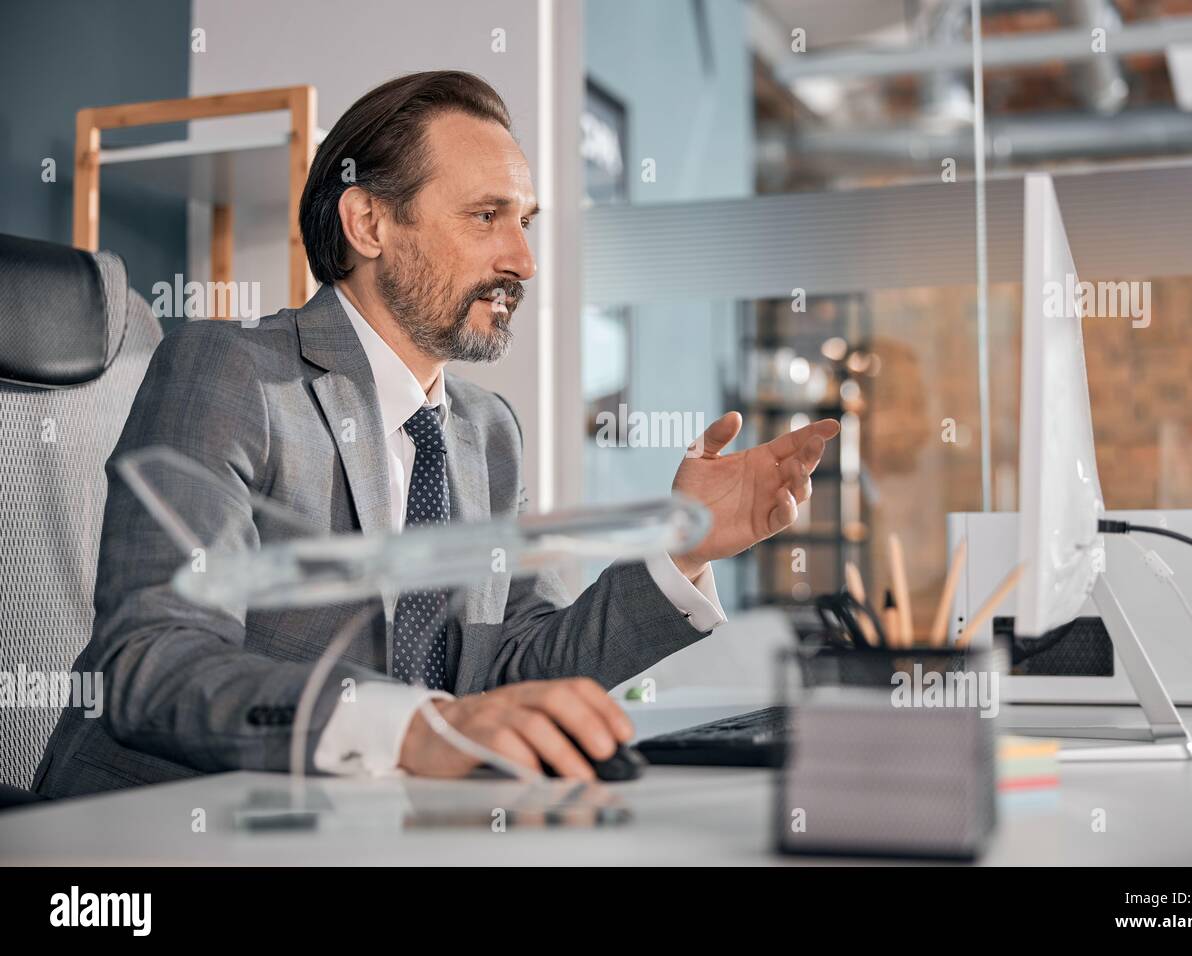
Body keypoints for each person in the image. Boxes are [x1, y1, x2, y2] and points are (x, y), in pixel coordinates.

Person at [34, 71, 836, 797]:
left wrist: (683, 549)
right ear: (369, 222)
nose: (522, 259)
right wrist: (415, 729)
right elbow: (152, 662)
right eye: (486, 217)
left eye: (524, 222)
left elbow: (519, 667)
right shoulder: (232, 373)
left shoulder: (489, 434)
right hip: (164, 828)